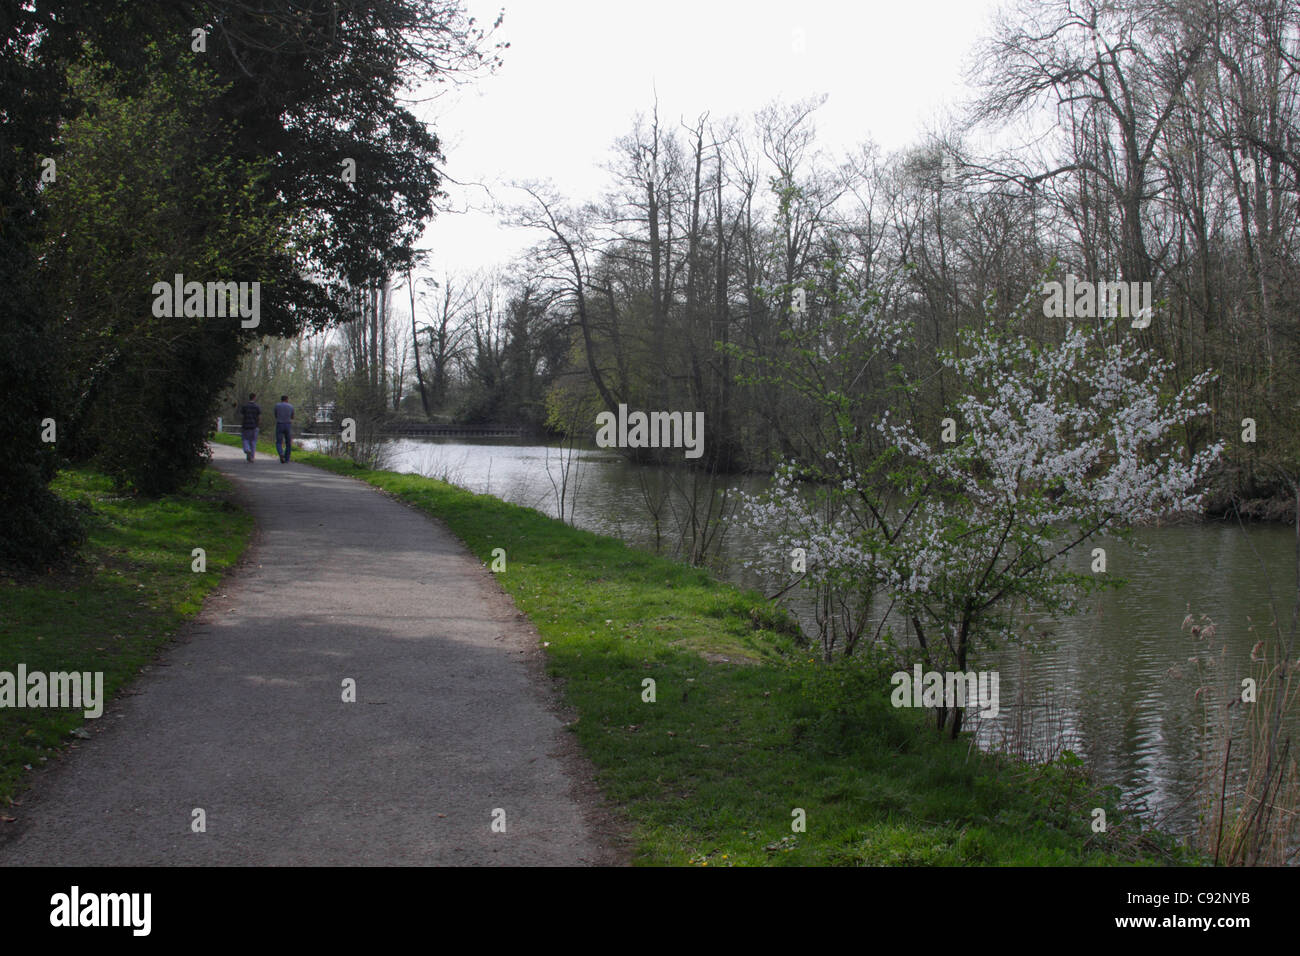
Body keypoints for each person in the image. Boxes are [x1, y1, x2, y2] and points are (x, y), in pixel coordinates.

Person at [237, 393, 261, 462]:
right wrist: (258, 425)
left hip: (246, 425)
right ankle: (252, 457)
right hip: (254, 426)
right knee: (253, 442)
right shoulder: (257, 407)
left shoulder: (245, 406)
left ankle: (247, 449)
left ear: (249, 397)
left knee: (245, 439)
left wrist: (242, 423)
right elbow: (259, 417)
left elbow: (242, 416)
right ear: (254, 398)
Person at [273, 394, 295, 463]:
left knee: (279, 442)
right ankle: (287, 458)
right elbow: (292, 417)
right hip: (288, 425)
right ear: (287, 399)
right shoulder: (291, 406)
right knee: (288, 443)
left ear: (281, 399)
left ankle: (281, 453)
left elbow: (275, 415)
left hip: (279, 424)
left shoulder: (277, 405)